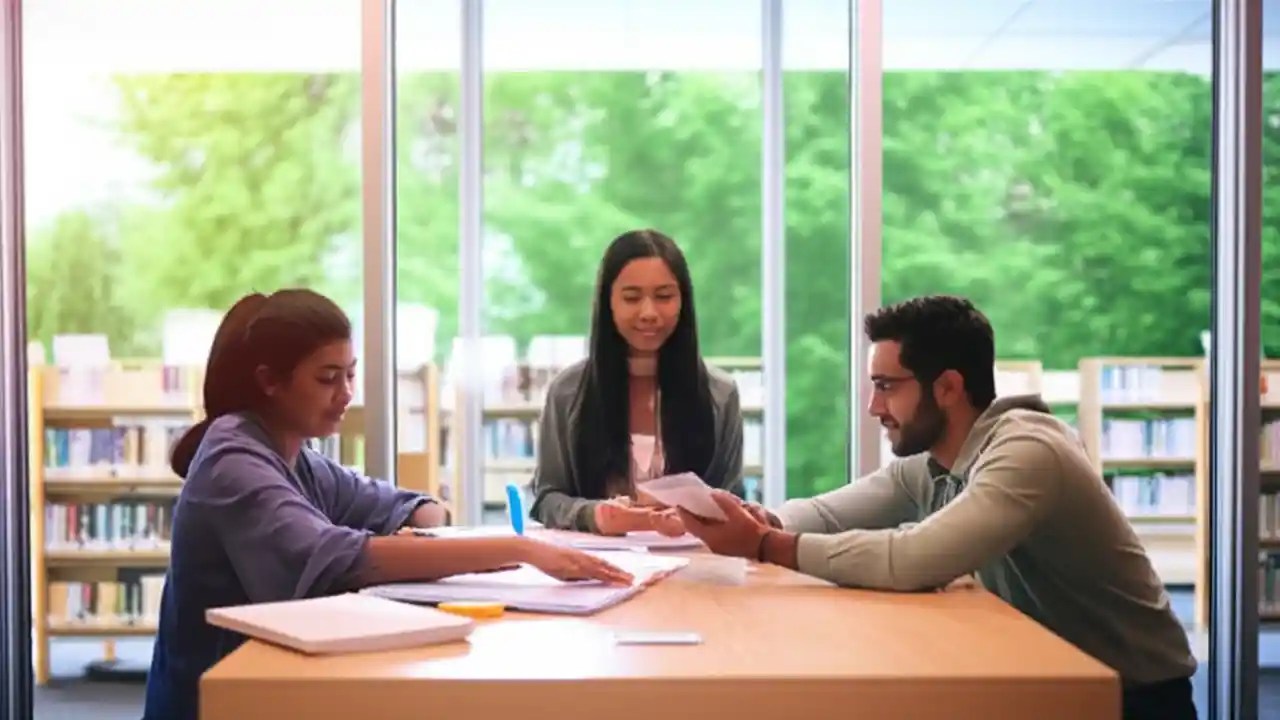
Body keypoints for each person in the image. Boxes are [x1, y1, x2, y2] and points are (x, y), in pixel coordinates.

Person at [676, 295, 1198, 720]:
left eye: (886, 387)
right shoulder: (934, 463)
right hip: (1048, 683)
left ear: (947, 387)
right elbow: (828, 513)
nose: (874, 407)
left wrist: (765, 545)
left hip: (1131, 698)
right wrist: (759, 520)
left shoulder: (1027, 452)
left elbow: (915, 559)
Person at [143, 289, 632, 720]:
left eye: (350, 375)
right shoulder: (233, 456)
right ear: (271, 381)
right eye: (328, 378)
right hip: (220, 700)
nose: (346, 394)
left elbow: (415, 507)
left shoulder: (299, 457)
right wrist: (519, 549)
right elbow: (339, 558)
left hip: (278, 682)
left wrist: (415, 532)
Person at [529, 229, 745, 536]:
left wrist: (696, 517)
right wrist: (596, 515)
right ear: (609, 303)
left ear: (683, 301)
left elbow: (733, 497)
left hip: (696, 568)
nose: (649, 313)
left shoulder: (720, 394)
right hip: (598, 568)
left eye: (664, 297)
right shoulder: (567, 391)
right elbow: (546, 499)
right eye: (631, 298)